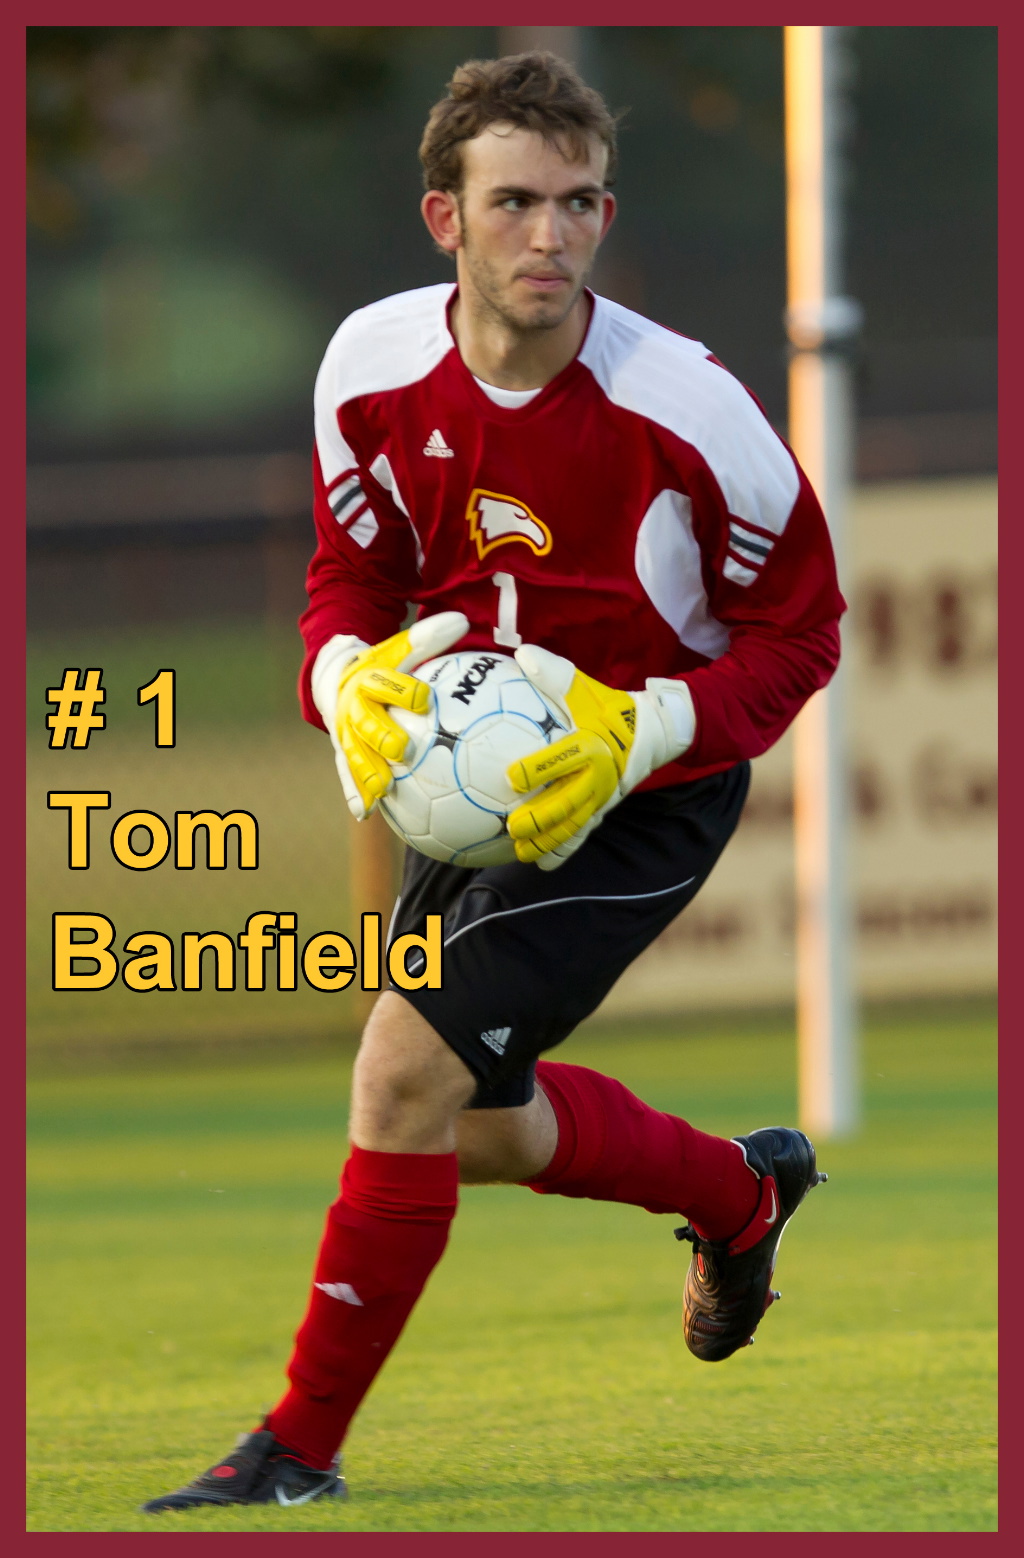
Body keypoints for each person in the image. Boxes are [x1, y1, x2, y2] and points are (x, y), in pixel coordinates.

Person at [144, 51, 840, 1513]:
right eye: (514, 201)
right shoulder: (368, 366)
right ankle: (737, 1190)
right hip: (461, 773)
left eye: (578, 203)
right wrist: (349, 686)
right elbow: (349, 581)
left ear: (604, 213)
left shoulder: (695, 412)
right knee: (470, 1117)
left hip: (646, 783)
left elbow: (802, 633)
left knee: (401, 1072)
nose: (552, 236)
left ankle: (295, 1448)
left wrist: (641, 731)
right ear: (441, 219)